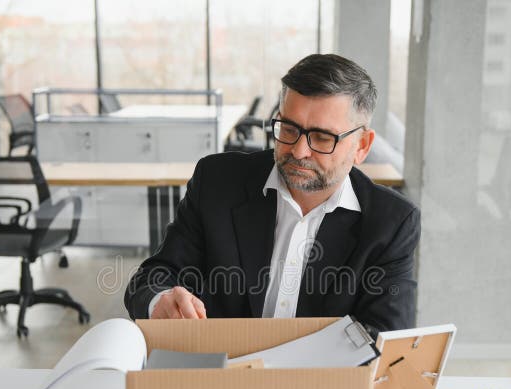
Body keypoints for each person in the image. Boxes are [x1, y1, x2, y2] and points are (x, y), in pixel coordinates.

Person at [125, 53, 420, 334]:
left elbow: (383, 338)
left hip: (320, 382)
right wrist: (160, 301)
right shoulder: (217, 182)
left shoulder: (392, 223)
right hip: (221, 374)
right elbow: (152, 278)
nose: (299, 151)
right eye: (289, 129)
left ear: (362, 146)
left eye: (321, 137)